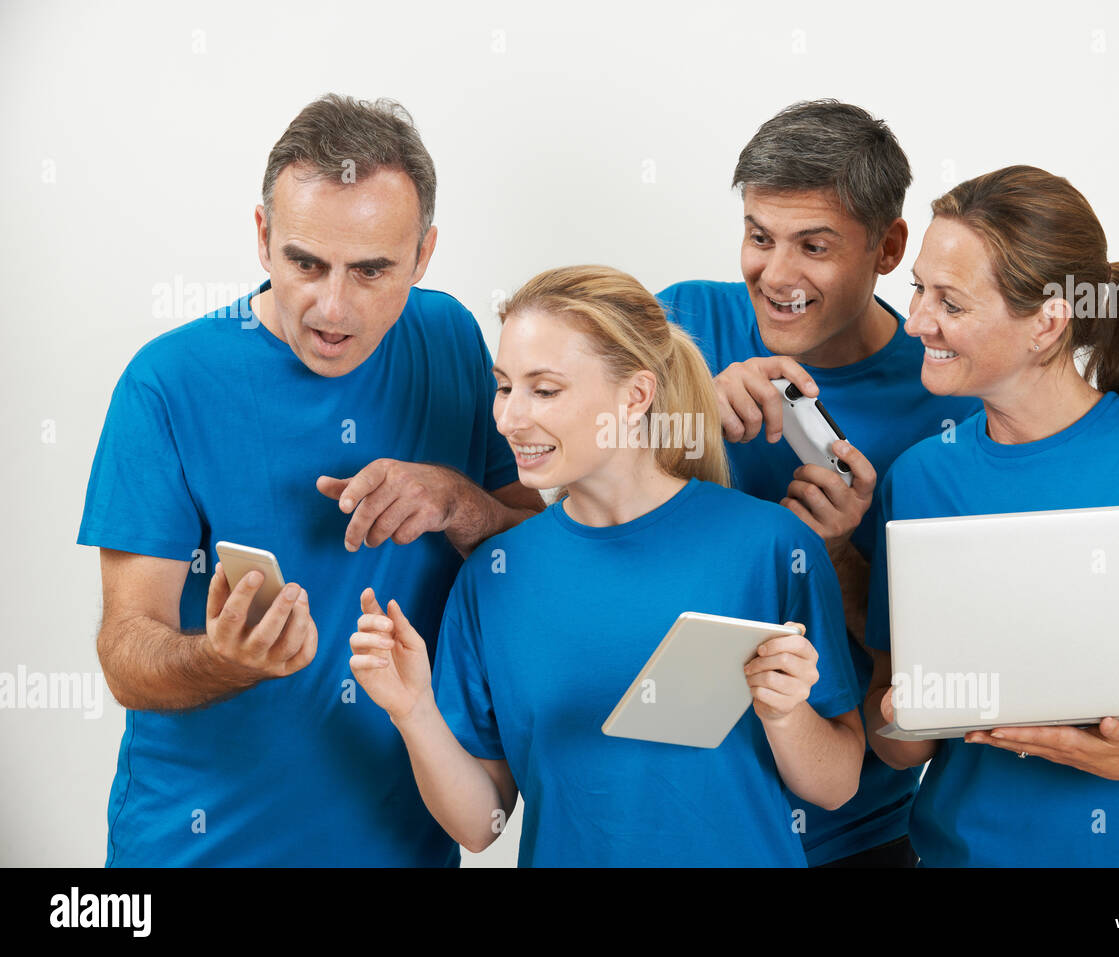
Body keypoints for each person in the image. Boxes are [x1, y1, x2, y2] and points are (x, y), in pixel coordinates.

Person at [76, 94, 542, 866]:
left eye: (371, 271)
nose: (332, 306)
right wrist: (224, 658)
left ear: (423, 257)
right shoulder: (166, 383)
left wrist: (460, 502)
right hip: (195, 848)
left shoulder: (453, 338)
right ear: (262, 238)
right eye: (305, 263)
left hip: (400, 845)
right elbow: (127, 651)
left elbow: (534, 551)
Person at [348, 265, 866, 866]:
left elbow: (836, 786)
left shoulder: (769, 545)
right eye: (504, 386)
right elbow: (481, 824)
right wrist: (413, 712)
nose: (510, 419)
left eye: (544, 390)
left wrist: (784, 712)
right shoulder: (494, 577)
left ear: (635, 396)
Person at [864, 164, 1119, 866]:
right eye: (917, 289)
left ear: (1048, 322)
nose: (916, 322)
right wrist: (902, 714)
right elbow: (896, 734)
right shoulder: (918, 478)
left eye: (951, 302)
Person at [657, 100, 981, 867]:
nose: (776, 275)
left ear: (888, 247)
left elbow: (945, 669)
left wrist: (838, 552)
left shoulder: (949, 397)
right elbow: (588, 503)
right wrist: (690, 409)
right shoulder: (684, 323)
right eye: (759, 237)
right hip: (684, 807)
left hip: (857, 829)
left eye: (814, 246)